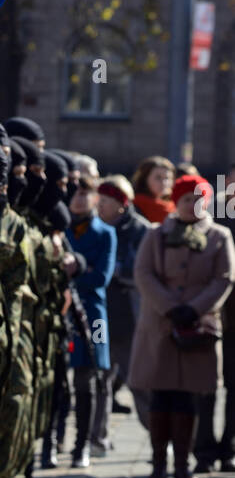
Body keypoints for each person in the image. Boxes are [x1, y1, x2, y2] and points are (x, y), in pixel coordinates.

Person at [129, 175, 235, 478]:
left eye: (199, 198)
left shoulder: (219, 236)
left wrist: (195, 309)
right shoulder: (156, 234)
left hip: (197, 329)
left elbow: (224, 278)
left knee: (190, 399)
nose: (193, 205)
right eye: (187, 199)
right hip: (161, 327)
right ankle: (159, 464)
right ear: (177, 202)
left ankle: (184, 465)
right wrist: (170, 307)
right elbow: (143, 273)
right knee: (160, 397)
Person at [64, 178, 117, 468]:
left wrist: (74, 271)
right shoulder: (58, 229)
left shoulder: (106, 232)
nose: (80, 199)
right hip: (64, 310)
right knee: (61, 379)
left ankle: (83, 444)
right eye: (75, 193)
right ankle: (53, 442)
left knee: (90, 377)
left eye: (86, 194)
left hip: (94, 315)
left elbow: (101, 277)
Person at [96, 176, 151, 437]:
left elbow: (145, 270)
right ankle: (95, 439)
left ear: (121, 202)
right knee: (99, 381)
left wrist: (113, 269)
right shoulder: (91, 227)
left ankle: (158, 439)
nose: (100, 207)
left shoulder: (142, 230)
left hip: (130, 317)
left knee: (139, 382)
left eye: (105, 201)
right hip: (99, 317)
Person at [194, 164, 235, 472]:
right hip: (209, 313)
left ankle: (229, 449)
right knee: (205, 386)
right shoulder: (210, 215)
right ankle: (203, 452)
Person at [132, 156, 175, 224]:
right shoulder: (135, 207)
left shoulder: (175, 206)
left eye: (167, 178)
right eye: (158, 178)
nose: (164, 183)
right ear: (144, 179)